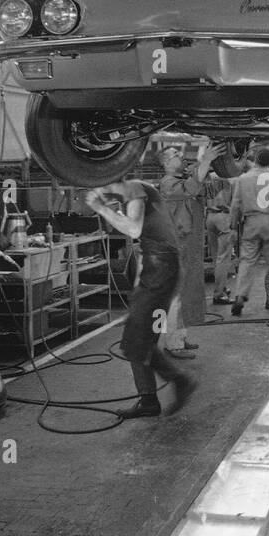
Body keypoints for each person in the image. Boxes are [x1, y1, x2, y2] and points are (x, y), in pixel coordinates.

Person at [85, 179, 195, 420]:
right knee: (137, 337)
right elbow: (128, 227)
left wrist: (100, 207)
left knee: (136, 340)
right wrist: (109, 207)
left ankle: (179, 380)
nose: (97, 190)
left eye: (99, 186)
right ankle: (148, 400)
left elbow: (133, 229)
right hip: (157, 263)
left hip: (161, 264)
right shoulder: (133, 192)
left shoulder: (134, 187)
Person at [157, 141, 224, 356]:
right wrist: (205, 161)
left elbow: (203, 187)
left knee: (186, 292)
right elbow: (191, 188)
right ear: (167, 162)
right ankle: (173, 344)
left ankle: (181, 337)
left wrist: (212, 165)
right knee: (175, 294)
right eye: (176, 154)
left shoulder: (182, 179)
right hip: (177, 246)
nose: (181, 155)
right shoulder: (168, 183)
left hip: (190, 245)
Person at [229, 148, 269, 316]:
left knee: (247, 261)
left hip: (250, 224)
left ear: (255, 159)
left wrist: (233, 226)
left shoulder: (243, 179)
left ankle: (240, 295)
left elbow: (236, 205)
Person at [203, 168, 236, 305]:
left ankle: (222, 287)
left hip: (210, 217)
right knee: (224, 259)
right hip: (223, 217)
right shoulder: (231, 179)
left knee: (216, 257)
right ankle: (219, 294)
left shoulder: (209, 177)